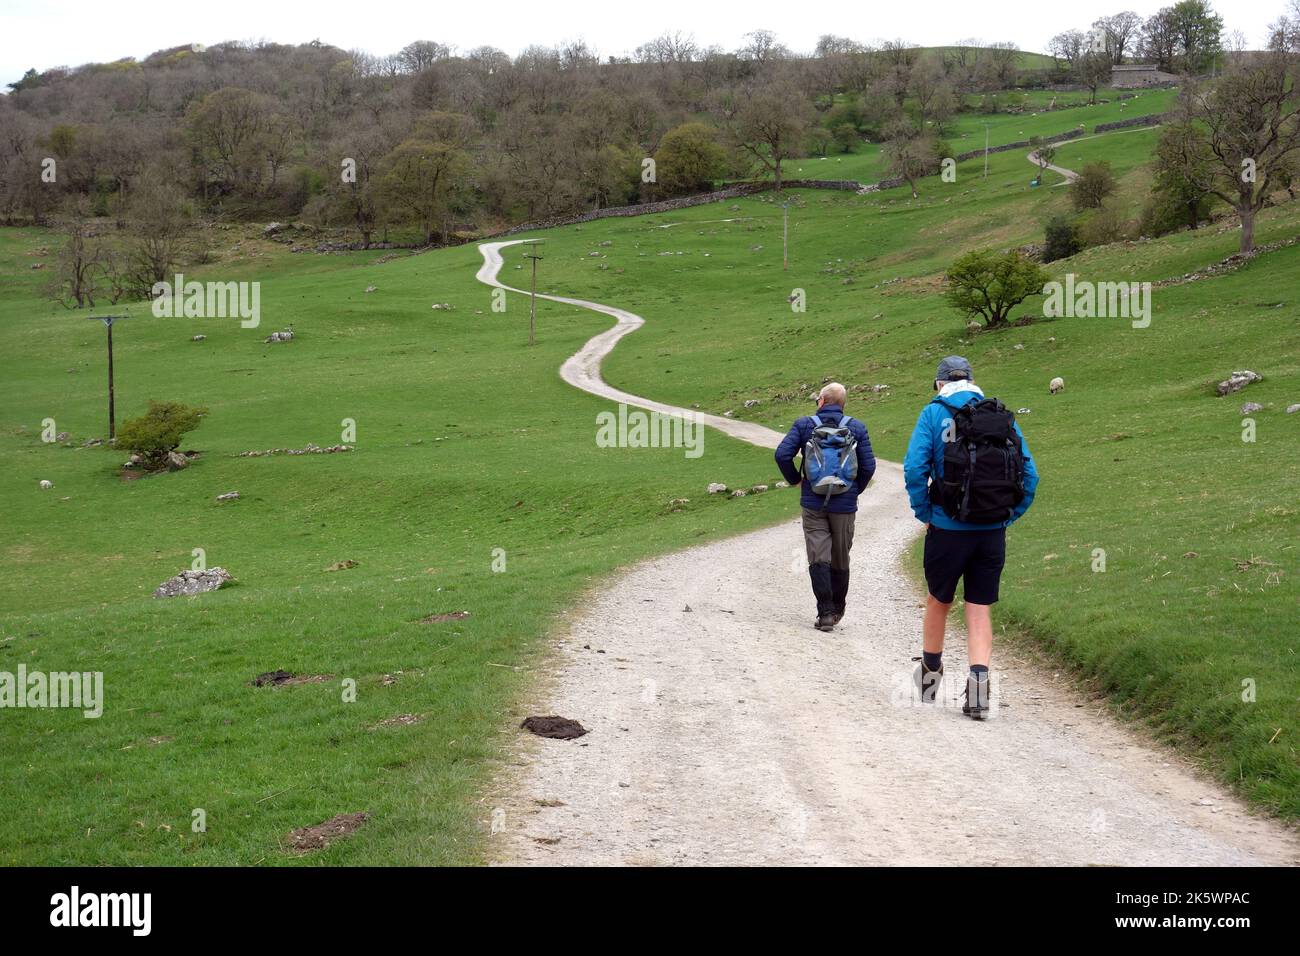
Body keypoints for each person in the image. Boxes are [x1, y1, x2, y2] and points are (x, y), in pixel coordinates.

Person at [903, 356, 1038, 719]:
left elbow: (915, 467)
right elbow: (1030, 474)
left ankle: (930, 678)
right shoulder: (999, 414)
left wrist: (925, 513)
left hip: (947, 530)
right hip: (991, 533)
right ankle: (978, 688)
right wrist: (1009, 515)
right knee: (979, 609)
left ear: (939, 384)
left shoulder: (933, 414)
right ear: (973, 381)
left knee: (938, 600)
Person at [775, 382, 876, 632]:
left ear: (821, 401)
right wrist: (853, 490)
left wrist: (797, 480)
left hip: (813, 502)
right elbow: (869, 466)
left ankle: (826, 613)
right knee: (841, 557)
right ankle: (838, 608)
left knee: (818, 556)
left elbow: (781, 455)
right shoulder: (856, 427)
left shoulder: (804, 425)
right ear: (843, 403)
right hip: (845, 505)